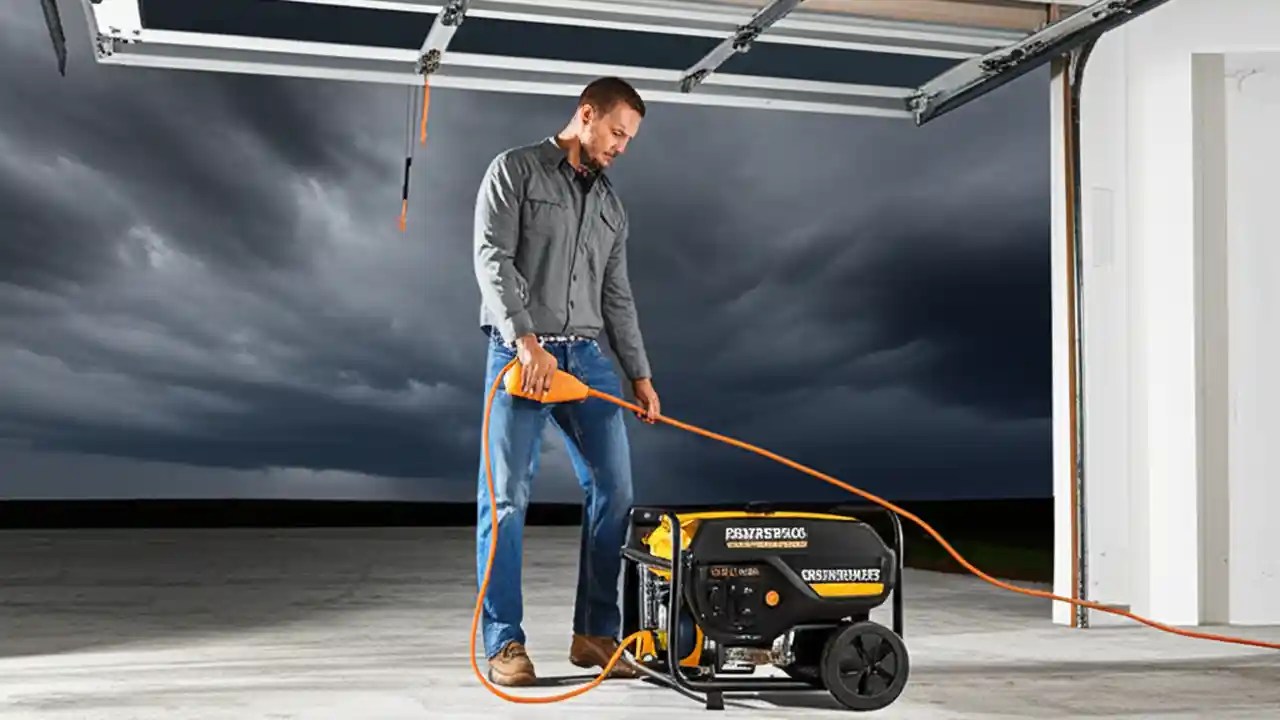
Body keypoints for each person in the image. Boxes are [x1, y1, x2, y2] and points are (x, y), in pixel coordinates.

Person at [471, 76, 661, 687]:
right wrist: (525, 341)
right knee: (506, 499)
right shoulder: (515, 171)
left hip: (586, 358)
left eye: (629, 138)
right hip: (520, 354)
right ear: (587, 114)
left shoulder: (612, 206)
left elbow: (617, 296)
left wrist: (639, 374)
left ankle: (594, 634)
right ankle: (504, 644)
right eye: (616, 132)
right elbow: (490, 258)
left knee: (616, 492)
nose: (622, 147)